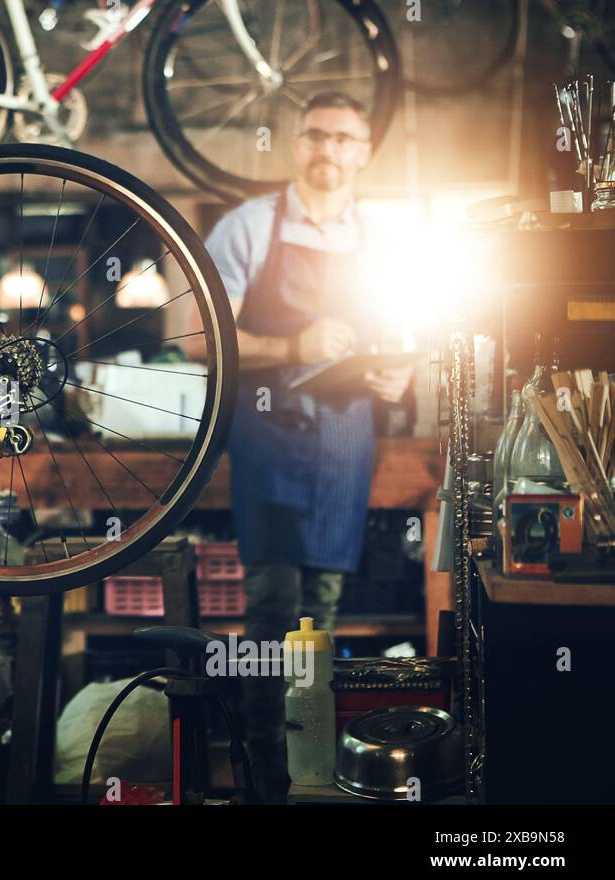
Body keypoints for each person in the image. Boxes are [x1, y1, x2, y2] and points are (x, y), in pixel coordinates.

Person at [193, 92, 414, 802]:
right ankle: (264, 774)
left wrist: (397, 368)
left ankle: (312, 771)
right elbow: (207, 338)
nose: (330, 149)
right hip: (267, 424)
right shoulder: (249, 227)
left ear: (363, 151)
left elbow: (402, 334)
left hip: (347, 430)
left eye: (346, 139)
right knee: (272, 601)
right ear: (296, 143)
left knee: (325, 600)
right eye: (317, 134)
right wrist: (295, 343)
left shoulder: (382, 240)